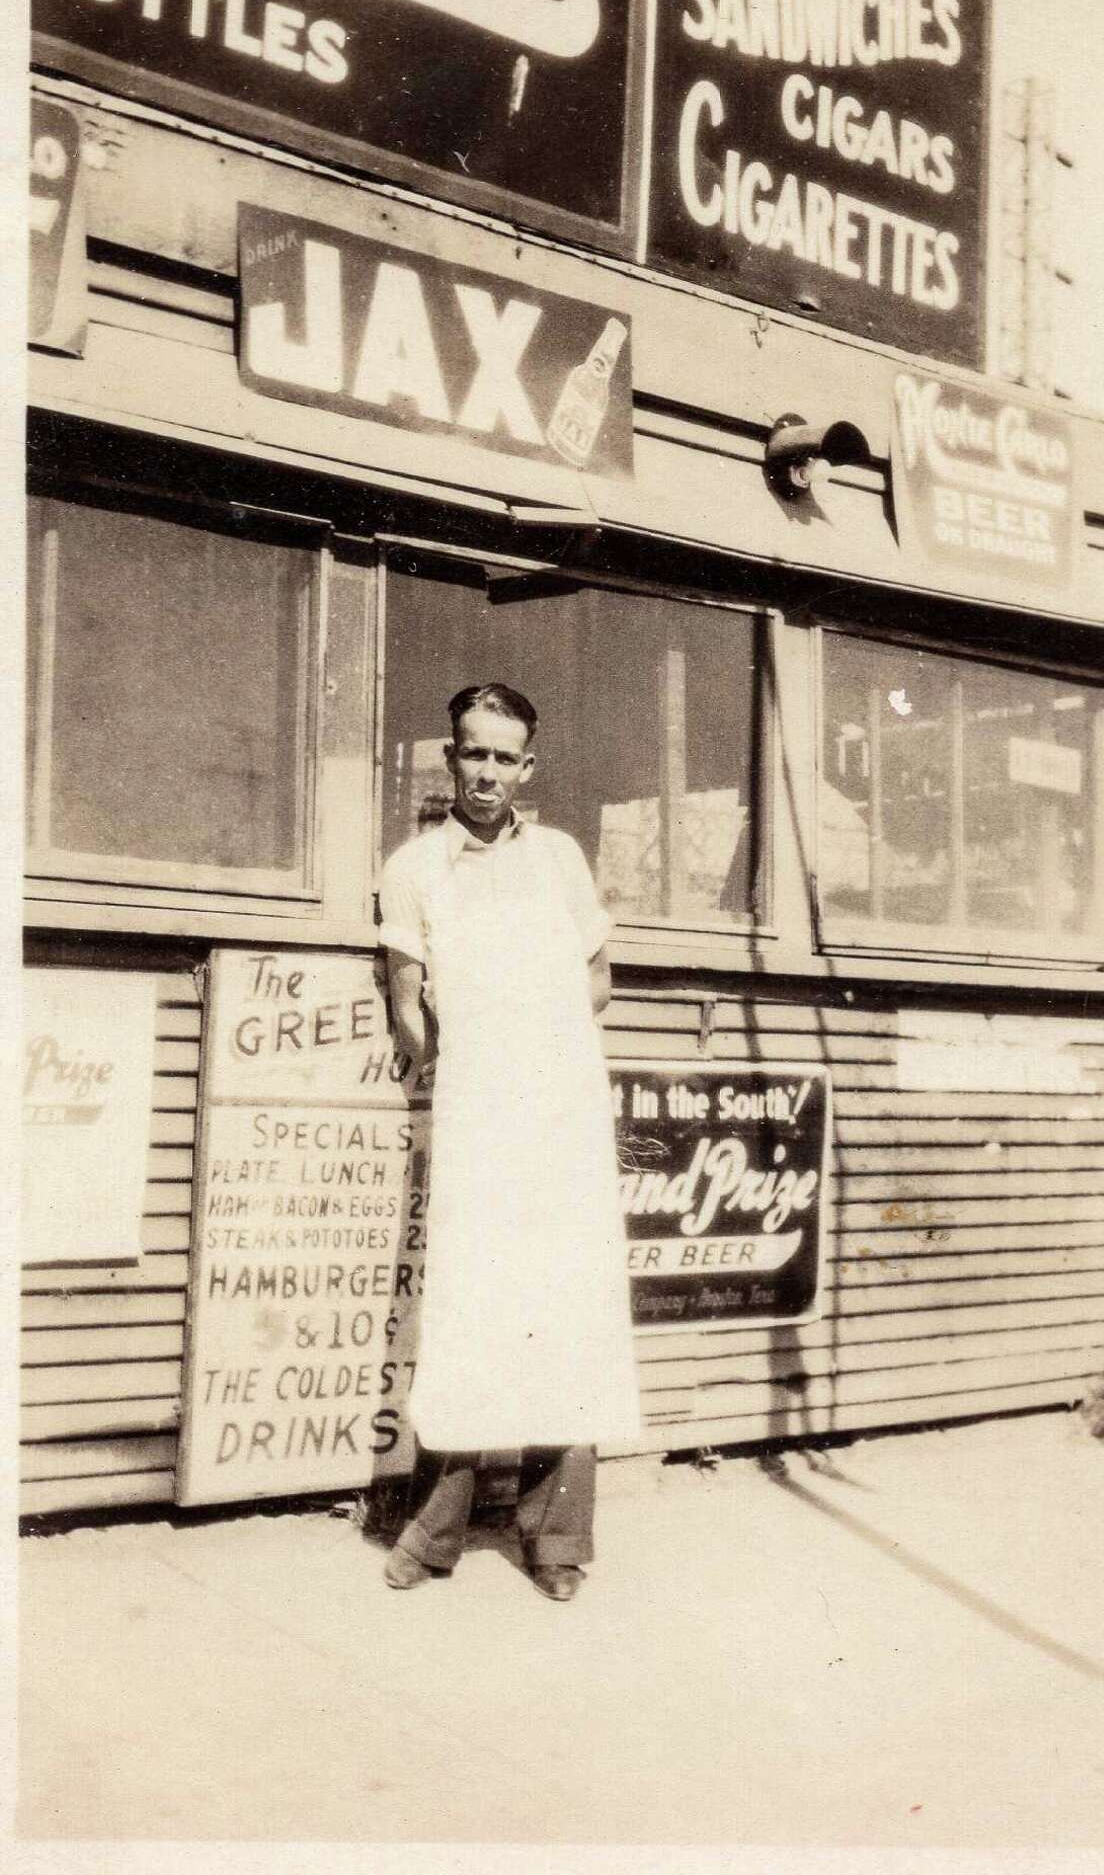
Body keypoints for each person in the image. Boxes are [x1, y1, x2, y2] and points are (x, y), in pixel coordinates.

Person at [378, 683, 641, 1602]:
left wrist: (540, 1048)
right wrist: (478, 1062)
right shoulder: (414, 867)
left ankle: (558, 1538)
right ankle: (435, 1531)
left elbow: (597, 982)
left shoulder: (561, 858)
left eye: (503, 756)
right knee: (470, 1303)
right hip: (481, 1112)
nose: (485, 771)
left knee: (568, 1304)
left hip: (560, 1109)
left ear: (528, 767)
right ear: (448, 759)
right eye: (471, 752)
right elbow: (410, 1007)